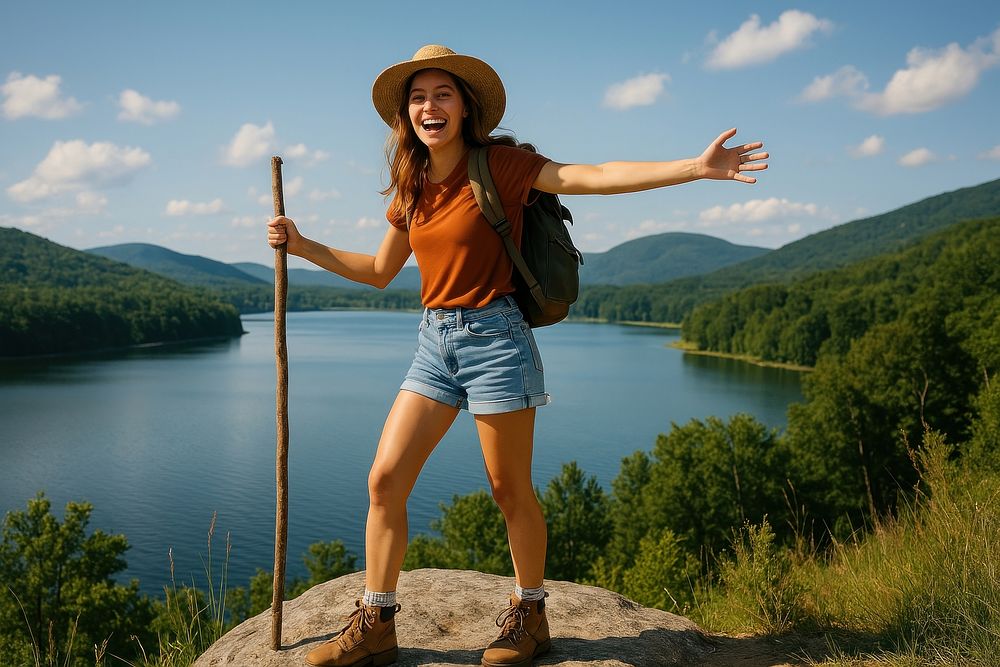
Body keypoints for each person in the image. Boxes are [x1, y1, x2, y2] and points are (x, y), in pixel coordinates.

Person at [267, 44, 768, 667]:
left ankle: (530, 613)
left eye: (442, 94)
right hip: (434, 344)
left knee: (508, 489)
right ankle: (377, 622)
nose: (430, 106)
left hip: (497, 341)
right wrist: (302, 243)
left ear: (465, 107)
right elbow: (377, 271)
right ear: (406, 116)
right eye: (418, 97)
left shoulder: (500, 165)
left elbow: (593, 174)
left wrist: (694, 166)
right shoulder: (412, 184)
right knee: (385, 480)